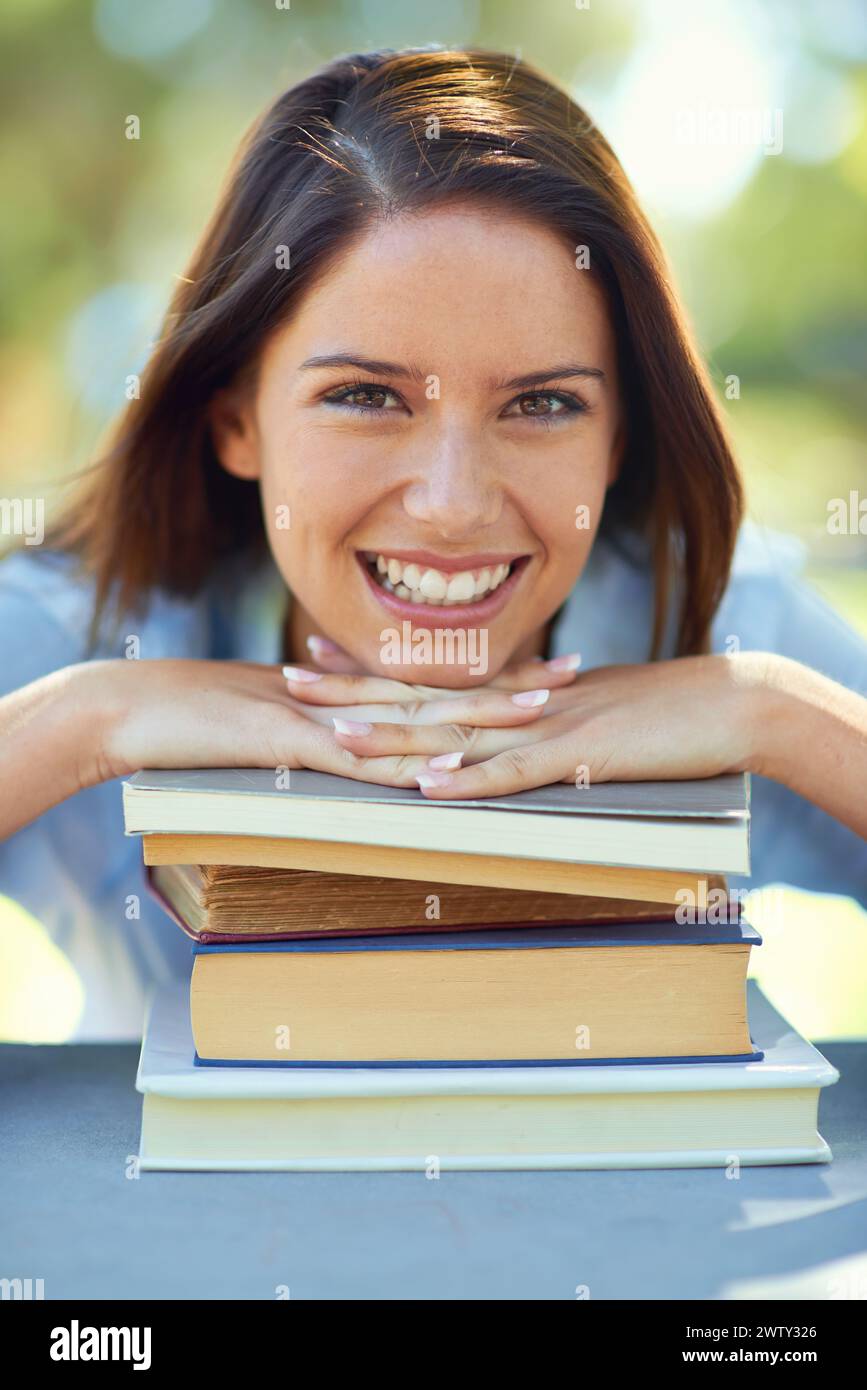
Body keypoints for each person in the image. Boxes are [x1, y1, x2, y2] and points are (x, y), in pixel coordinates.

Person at [2, 47, 865, 1036]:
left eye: (542, 403)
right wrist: (85, 721)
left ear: (621, 432)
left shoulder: (721, 619)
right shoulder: (96, 627)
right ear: (234, 417)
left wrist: (782, 716)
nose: (454, 505)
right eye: (366, 396)